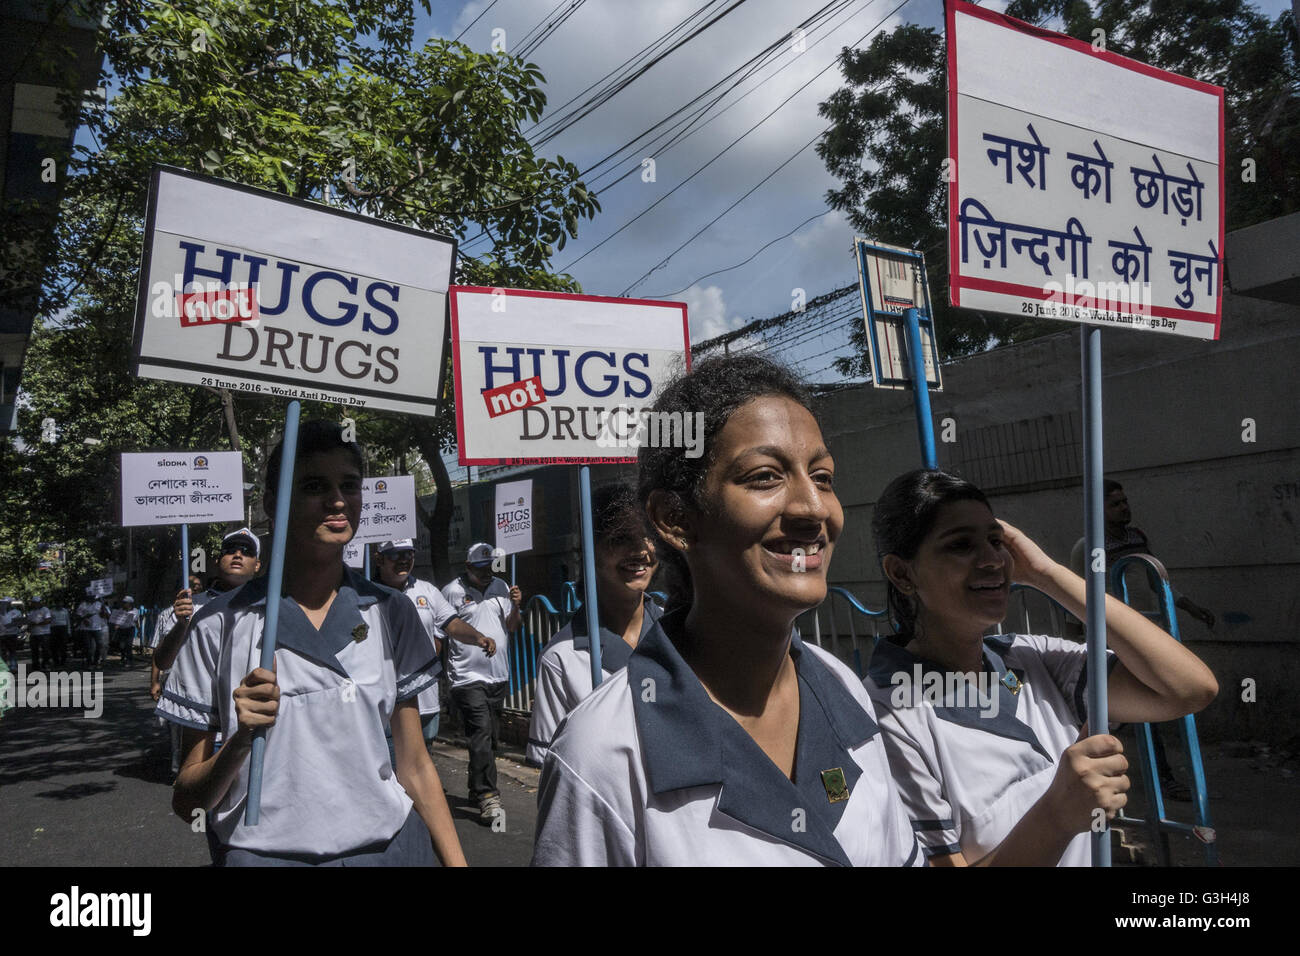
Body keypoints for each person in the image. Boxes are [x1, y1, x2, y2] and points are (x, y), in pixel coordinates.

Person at [532, 355, 922, 867]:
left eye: (823, 477)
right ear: (675, 520)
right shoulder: (603, 754)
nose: (813, 508)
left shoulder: (843, 690)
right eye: (765, 477)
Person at [863, 469, 1219, 866]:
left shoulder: (1032, 657)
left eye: (996, 542)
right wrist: (1056, 815)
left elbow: (1190, 689)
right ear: (901, 573)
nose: (993, 561)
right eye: (961, 545)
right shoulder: (886, 713)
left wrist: (1047, 574)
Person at [156, 421, 467, 865]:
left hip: (391, 852)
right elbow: (189, 804)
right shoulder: (219, 625)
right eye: (314, 485)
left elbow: (415, 767)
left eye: (350, 485)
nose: (337, 500)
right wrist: (242, 739)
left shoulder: (392, 612)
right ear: (272, 502)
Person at [1068, 478, 1214, 800]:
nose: (1124, 508)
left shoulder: (1137, 538)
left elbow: (1156, 582)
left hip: (1147, 632)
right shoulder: (1089, 546)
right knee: (1127, 711)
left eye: (1125, 501)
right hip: (1111, 641)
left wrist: (1190, 608)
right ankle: (1149, 781)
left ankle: (1158, 778)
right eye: (1114, 504)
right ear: (1098, 510)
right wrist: (1075, 648)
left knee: (1148, 707)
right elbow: (1075, 597)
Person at [526, 483, 662, 768]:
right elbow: (552, 768)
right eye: (621, 538)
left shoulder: (681, 633)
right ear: (590, 549)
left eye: (648, 536)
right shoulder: (561, 659)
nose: (640, 550)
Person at [372, 538, 495, 757]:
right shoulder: (367, 595)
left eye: (408, 554)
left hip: (424, 698)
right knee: (391, 768)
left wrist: (478, 637)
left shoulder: (427, 591)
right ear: (379, 559)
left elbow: (453, 624)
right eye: (395, 555)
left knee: (422, 764)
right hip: (385, 700)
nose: (403, 561)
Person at [442, 542, 522, 823]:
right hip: (466, 676)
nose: (486, 574)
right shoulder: (452, 591)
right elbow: (441, 633)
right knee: (481, 731)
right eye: (480, 569)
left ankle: (476, 788)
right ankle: (489, 796)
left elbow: (512, 627)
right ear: (468, 567)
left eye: (489, 568)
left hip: (497, 674)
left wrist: (515, 606)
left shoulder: (501, 586)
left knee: (490, 738)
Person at [74, 589, 109, 670]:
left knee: (99, 645)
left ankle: (96, 662)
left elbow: (105, 616)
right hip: (86, 629)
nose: (91, 597)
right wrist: (83, 619)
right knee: (88, 647)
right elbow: (78, 615)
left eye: (93, 596)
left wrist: (104, 609)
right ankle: (89, 663)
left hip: (97, 628)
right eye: (89, 596)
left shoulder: (99, 604)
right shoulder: (83, 604)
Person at [109, 596, 139, 669]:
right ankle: (123, 658)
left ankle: (129, 660)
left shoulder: (135, 611)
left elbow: (135, 619)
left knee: (128, 645)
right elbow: (117, 619)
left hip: (130, 629)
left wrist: (138, 630)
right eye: (123, 603)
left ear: (130, 603)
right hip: (121, 629)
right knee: (122, 645)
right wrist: (116, 624)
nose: (124, 604)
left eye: (125, 603)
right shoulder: (120, 610)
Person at [26, 595, 52, 671]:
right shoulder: (31, 612)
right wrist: (29, 626)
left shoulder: (45, 610)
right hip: (34, 634)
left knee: (45, 650)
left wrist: (36, 624)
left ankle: (45, 664)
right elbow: (29, 622)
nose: (33, 604)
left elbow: (48, 620)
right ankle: (36, 666)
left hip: (44, 633)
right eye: (33, 603)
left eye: (34, 603)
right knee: (34, 651)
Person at [48, 598, 71, 668]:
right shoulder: (51, 611)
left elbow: (68, 621)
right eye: (58, 603)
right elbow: (49, 622)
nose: (59, 604)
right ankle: (56, 661)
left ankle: (63, 661)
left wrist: (69, 631)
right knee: (54, 646)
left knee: (63, 646)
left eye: (60, 603)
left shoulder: (65, 611)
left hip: (63, 628)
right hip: (54, 628)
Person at [0, 598, 21, 671]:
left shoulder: (17, 612)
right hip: (2, 635)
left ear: (10, 603)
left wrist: (13, 625)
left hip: (12, 634)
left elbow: (19, 623)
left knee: (12, 651)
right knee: (3, 652)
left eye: (6, 603)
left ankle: (13, 666)